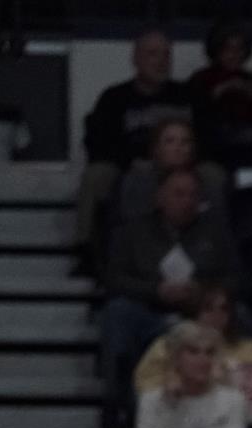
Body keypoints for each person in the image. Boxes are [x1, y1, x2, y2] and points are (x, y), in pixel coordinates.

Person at [101, 168, 238, 419]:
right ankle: (118, 398)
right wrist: (155, 290)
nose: (186, 201)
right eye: (178, 194)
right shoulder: (133, 232)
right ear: (159, 197)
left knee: (241, 315)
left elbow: (234, 279)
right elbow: (115, 280)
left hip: (198, 315)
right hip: (148, 312)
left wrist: (201, 292)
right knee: (117, 312)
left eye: (192, 195)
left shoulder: (216, 233)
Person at [75, 28, 195, 258]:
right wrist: (132, 160)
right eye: (153, 54)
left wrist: (182, 160)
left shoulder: (188, 95)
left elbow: (207, 137)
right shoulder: (114, 97)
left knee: (214, 175)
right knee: (96, 175)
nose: (161, 61)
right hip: (129, 164)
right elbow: (98, 142)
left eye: (166, 55)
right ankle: (87, 250)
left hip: (184, 163)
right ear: (136, 59)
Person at [135, 283, 252, 427]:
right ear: (195, 312)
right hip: (181, 413)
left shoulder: (248, 347)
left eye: (224, 309)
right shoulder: (167, 345)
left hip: (236, 419)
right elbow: (144, 382)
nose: (217, 315)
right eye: (208, 308)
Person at [115, 118, 228, 226]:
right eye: (170, 141)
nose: (178, 147)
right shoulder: (138, 179)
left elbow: (216, 222)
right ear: (156, 148)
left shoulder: (209, 178)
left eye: (185, 141)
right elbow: (133, 225)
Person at [190, 20, 252, 138]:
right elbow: (198, 117)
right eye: (228, 49)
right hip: (218, 142)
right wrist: (222, 90)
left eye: (240, 49)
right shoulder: (202, 79)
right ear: (216, 51)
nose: (235, 54)